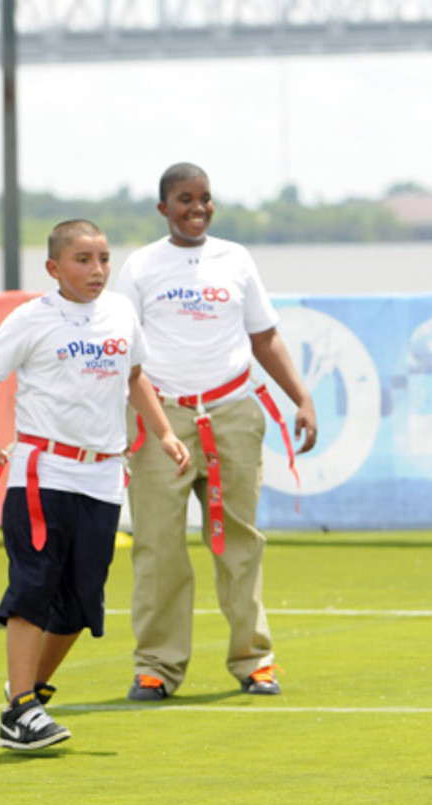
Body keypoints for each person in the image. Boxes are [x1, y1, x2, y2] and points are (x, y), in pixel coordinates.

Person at [0, 220, 189, 749]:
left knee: (82, 600)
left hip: (103, 475)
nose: (97, 271)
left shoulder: (119, 312)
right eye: (83, 260)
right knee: (32, 586)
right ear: (53, 268)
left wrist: (163, 432)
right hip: (42, 471)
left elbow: (135, 375)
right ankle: (21, 707)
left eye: (104, 259)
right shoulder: (32, 318)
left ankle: (27, 701)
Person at [116, 163, 317, 701]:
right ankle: (156, 666)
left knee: (239, 545)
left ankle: (255, 661)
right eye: (184, 199)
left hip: (232, 413)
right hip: (162, 421)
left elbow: (265, 337)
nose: (197, 208)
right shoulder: (140, 266)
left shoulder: (236, 259)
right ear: (163, 208)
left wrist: (302, 397)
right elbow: (122, 353)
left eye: (205, 198)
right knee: (158, 547)